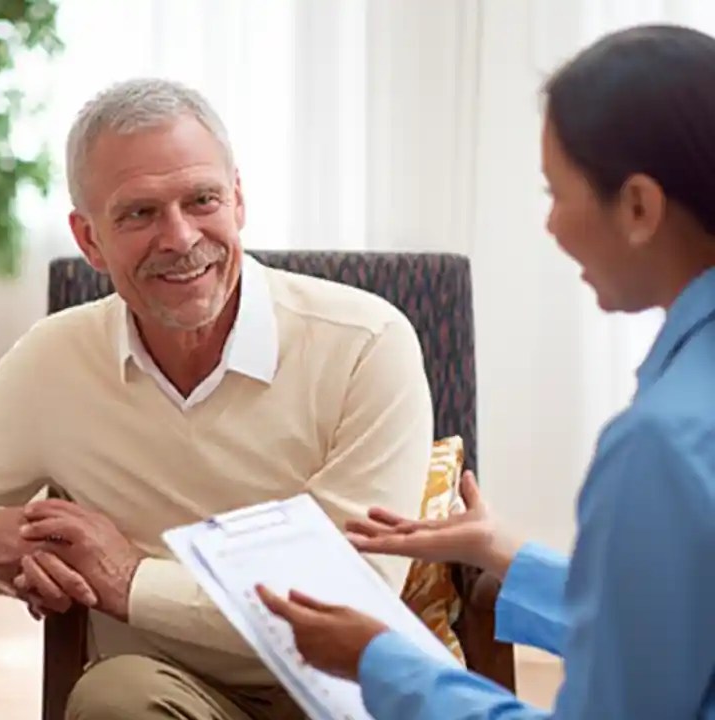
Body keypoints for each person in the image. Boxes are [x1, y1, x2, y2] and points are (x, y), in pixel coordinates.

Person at [0, 78, 436, 719]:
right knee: (111, 698)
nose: (180, 238)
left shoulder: (366, 342)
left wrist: (130, 582)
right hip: (173, 692)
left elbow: (345, 603)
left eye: (202, 199)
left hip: (346, 689)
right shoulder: (54, 360)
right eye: (139, 213)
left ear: (238, 200)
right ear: (89, 239)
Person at [257, 23, 715, 719]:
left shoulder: (660, 443)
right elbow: (676, 632)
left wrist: (378, 661)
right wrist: (507, 555)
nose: (552, 227)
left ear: (640, 206)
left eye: (555, 194)